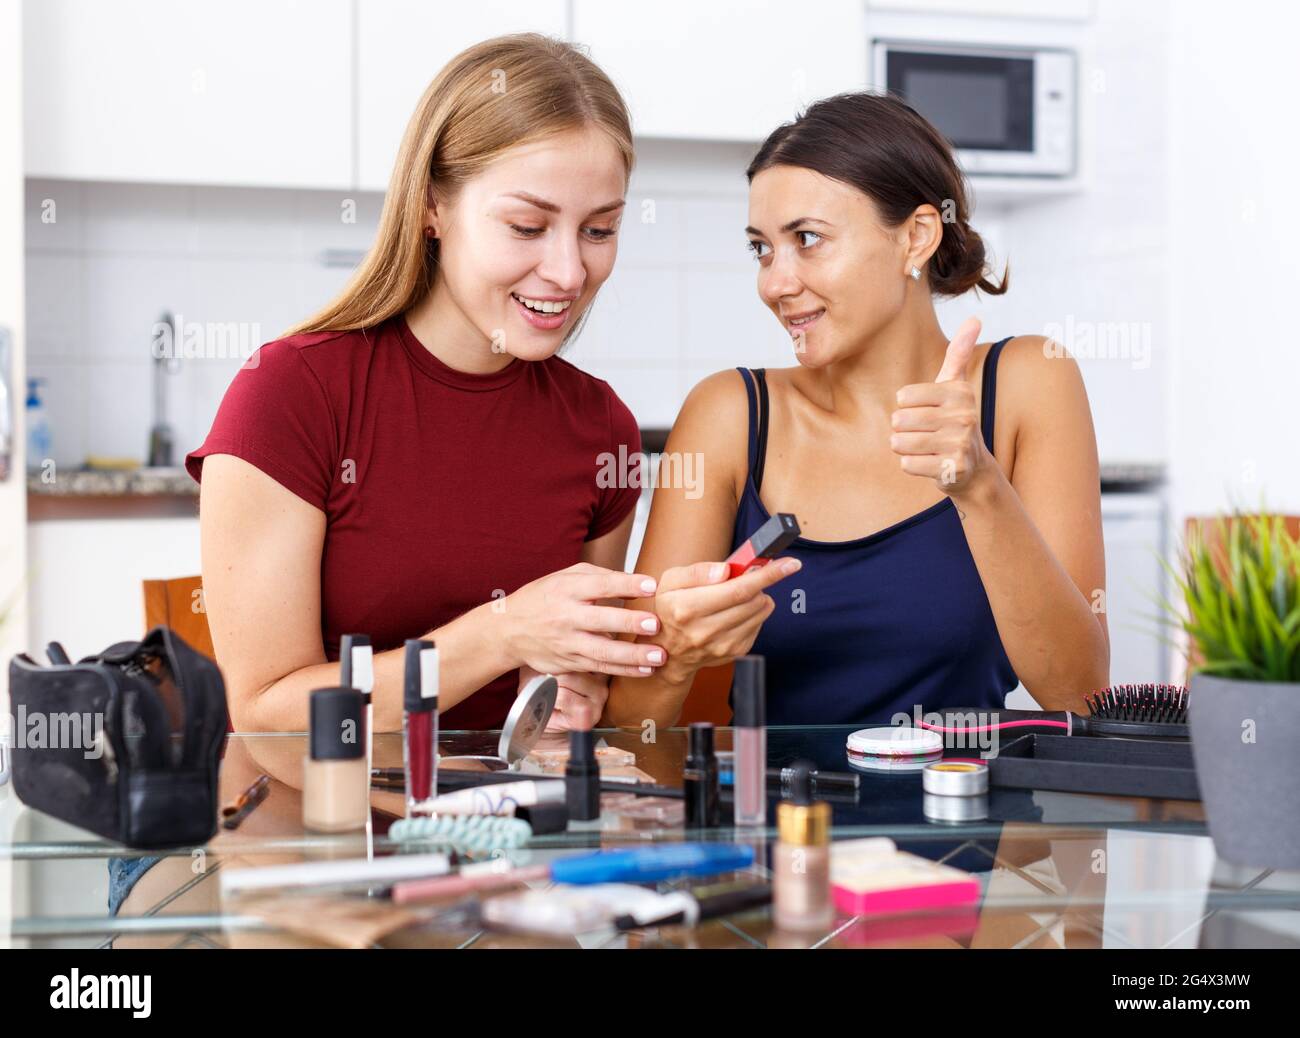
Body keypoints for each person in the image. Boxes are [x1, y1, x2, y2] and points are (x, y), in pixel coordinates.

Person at [188, 35, 769, 733]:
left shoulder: (598, 427)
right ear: (433, 207)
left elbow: (575, 697)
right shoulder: (291, 394)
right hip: (333, 832)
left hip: (520, 826)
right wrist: (500, 633)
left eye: (599, 229)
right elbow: (266, 713)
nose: (569, 271)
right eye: (527, 225)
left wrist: (579, 685)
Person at [605, 92, 1109, 727]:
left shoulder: (1030, 381)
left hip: (965, 813)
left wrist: (981, 488)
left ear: (916, 238)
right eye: (761, 248)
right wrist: (674, 655)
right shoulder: (731, 413)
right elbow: (624, 731)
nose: (774, 283)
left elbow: (1081, 693)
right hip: (780, 819)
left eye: (808, 240)